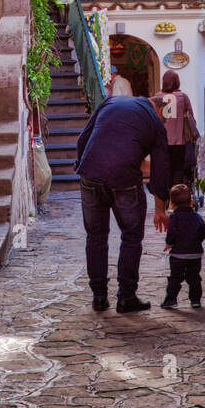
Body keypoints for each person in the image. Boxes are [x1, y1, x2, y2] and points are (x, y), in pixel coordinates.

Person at [75, 93, 171, 313]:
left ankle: (98, 297)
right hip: (124, 179)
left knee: (95, 236)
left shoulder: (111, 101)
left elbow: (83, 138)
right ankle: (126, 297)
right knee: (131, 236)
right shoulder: (156, 124)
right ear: (159, 110)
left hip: (90, 174)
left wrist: (81, 167)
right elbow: (160, 169)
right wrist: (160, 209)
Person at [162, 183, 205, 309]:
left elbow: (171, 233)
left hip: (178, 255)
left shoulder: (174, 218)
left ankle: (171, 300)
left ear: (172, 203)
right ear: (191, 201)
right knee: (194, 278)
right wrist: (196, 241)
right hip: (195, 254)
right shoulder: (197, 217)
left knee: (175, 278)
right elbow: (203, 231)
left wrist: (169, 244)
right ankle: (195, 300)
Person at [160, 69, 197, 187]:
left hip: (162, 142)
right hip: (179, 142)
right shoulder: (183, 97)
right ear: (177, 82)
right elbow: (191, 118)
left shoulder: (157, 97)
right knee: (178, 171)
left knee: (165, 171)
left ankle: (166, 198)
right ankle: (177, 198)